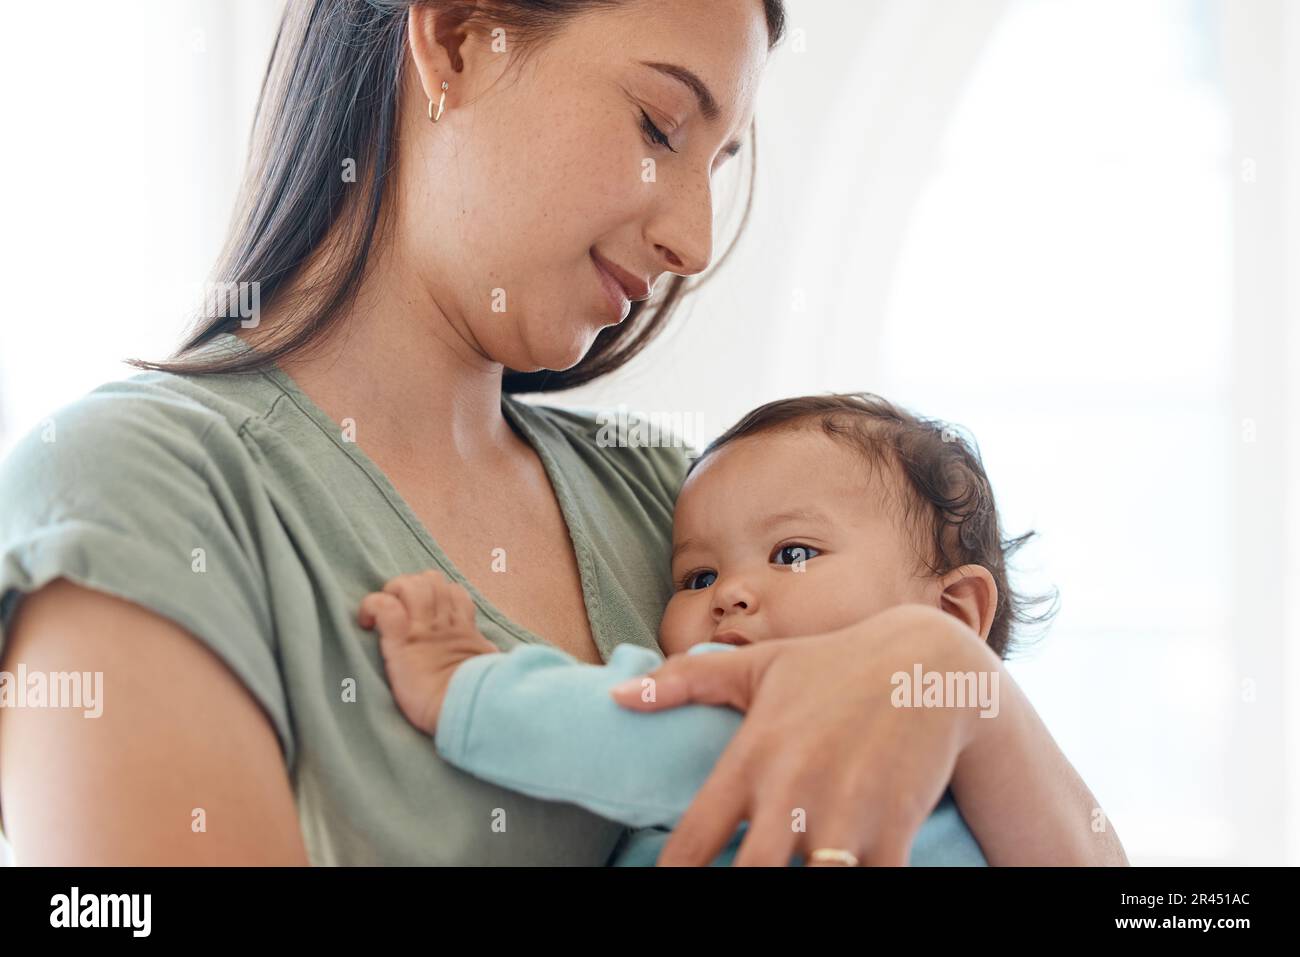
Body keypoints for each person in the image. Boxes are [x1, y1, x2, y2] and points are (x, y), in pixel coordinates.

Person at [0, 0, 1126, 866]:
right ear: (454, 38)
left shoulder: (676, 506)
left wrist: (959, 685)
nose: (691, 237)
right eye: (659, 124)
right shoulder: (137, 492)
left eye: (717, 164)